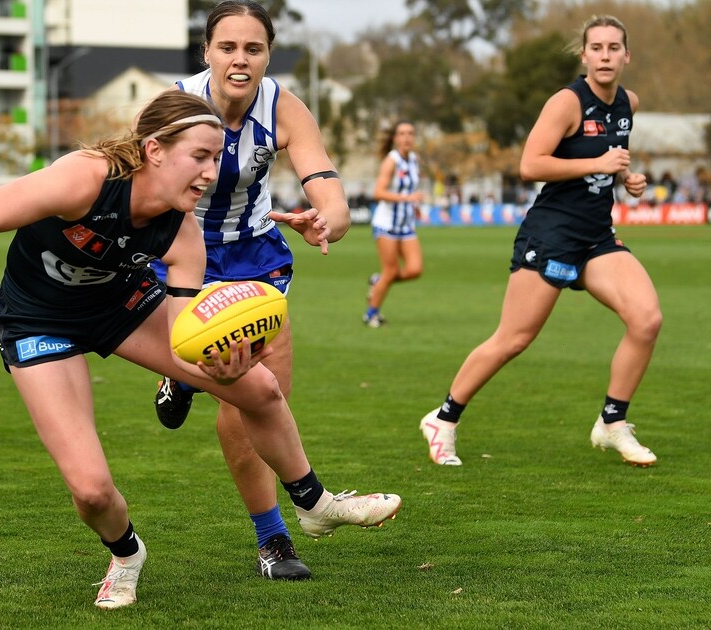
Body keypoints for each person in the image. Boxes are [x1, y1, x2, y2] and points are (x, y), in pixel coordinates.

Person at [0, 91, 401, 610]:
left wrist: (215, 363)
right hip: (37, 319)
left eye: (217, 159)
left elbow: (182, 338)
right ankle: (126, 554)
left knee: (255, 385)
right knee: (92, 493)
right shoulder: (85, 178)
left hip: (121, 305)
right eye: (200, 156)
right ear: (154, 150)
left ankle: (314, 503)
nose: (211, 173)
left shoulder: (183, 234)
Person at [152, 0, 354, 581]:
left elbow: (327, 187)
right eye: (228, 47)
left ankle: (273, 544)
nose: (240, 61)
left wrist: (328, 220)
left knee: (260, 400)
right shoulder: (174, 106)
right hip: (183, 255)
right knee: (237, 386)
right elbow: (138, 184)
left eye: (254, 48)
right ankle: (275, 535)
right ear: (207, 51)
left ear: (268, 54)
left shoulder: (284, 106)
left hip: (256, 255)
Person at [419, 15, 659, 468]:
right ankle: (443, 418)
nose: (605, 56)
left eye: (614, 48)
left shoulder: (629, 101)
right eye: (597, 48)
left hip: (596, 237)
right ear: (583, 55)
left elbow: (611, 152)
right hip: (550, 234)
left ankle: (612, 422)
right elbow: (531, 164)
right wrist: (601, 164)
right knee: (514, 338)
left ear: (626, 55)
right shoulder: (567, 102)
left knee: (646, 319)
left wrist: (627, 176)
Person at [364, 120, 423, 327]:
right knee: (390, 271)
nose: (407, 137)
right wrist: (406, 199)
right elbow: (378, 192)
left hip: (406, 224)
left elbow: (411, 190)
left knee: (415, 269)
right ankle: (371, 314)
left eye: (410, 133)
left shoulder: (414, 159)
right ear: (395, 138)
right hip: (386, 224)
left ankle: (377, 281)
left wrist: (415, 206)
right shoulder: (392, 160)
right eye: (402, 133)